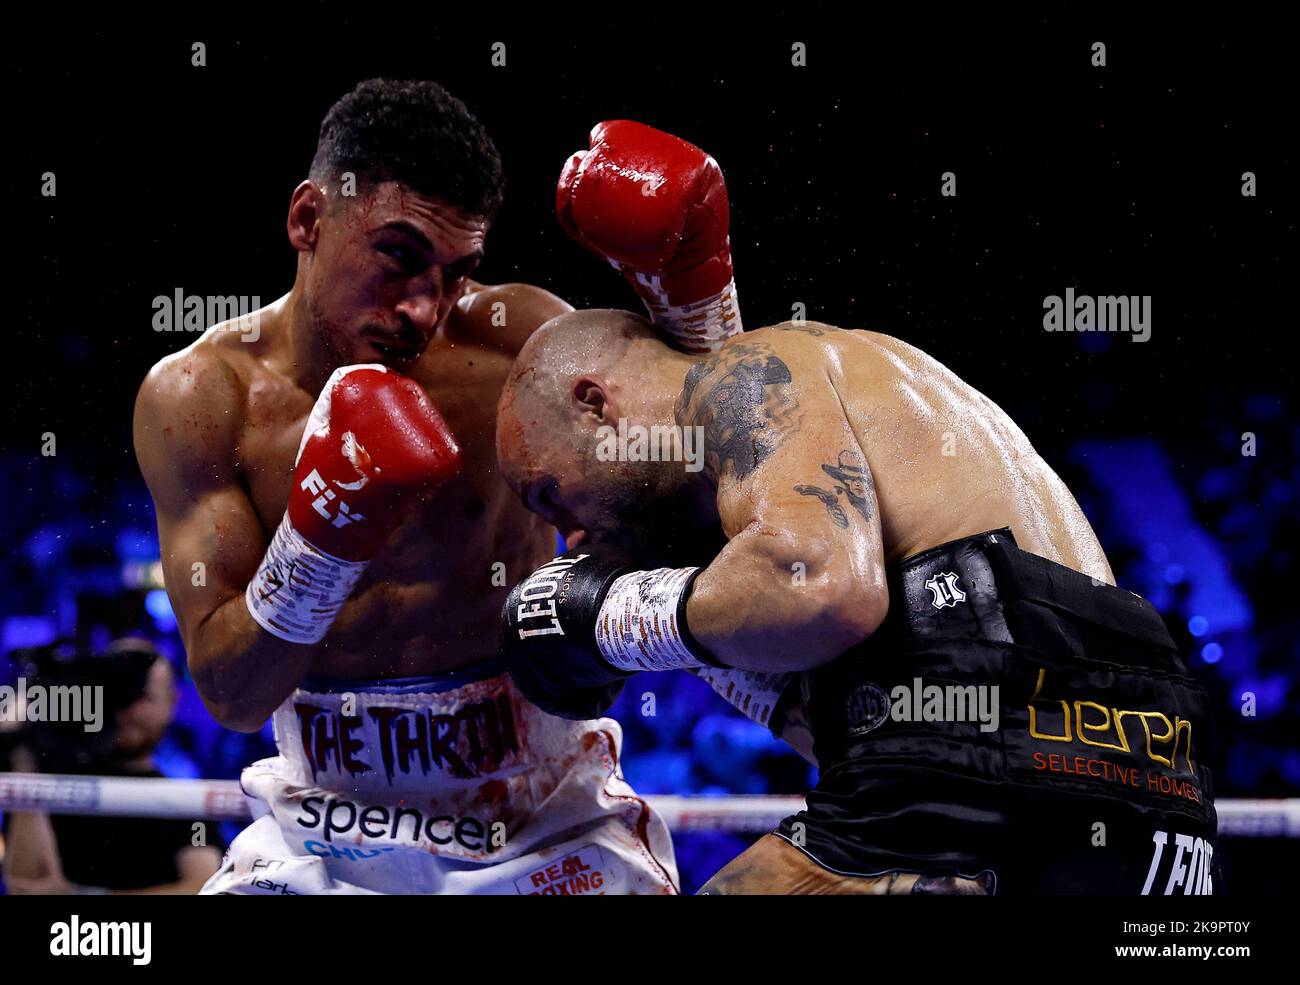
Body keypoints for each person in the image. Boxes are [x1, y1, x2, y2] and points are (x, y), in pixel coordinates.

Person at [133, 82, 687, 894]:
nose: (426, 308)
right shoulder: (200, 400)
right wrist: (321, 538)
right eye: (399, 256)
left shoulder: (522, 351)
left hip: (542, 818)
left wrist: (694, 303)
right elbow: (232, 694)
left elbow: (691, 488)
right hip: (324, 829)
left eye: (456, 274)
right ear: (307, 220)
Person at [495, 307, 1220, 894]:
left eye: (549, 495)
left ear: (594, 404)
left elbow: (820, 589)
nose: (571, 535)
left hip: (972, 775)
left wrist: (613, 620)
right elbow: (857, 725)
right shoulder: (881, 411)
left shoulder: (738, 374)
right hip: (1160, 792)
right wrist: (712, 652)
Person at [2, 639, 221, 894]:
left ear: (172, 702)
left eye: (141, 695)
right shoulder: (50, 784)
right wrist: (24, 745)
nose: (127, 710)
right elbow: (24, 885)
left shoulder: (188, 805)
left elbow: (202, 887)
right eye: (117, 692)